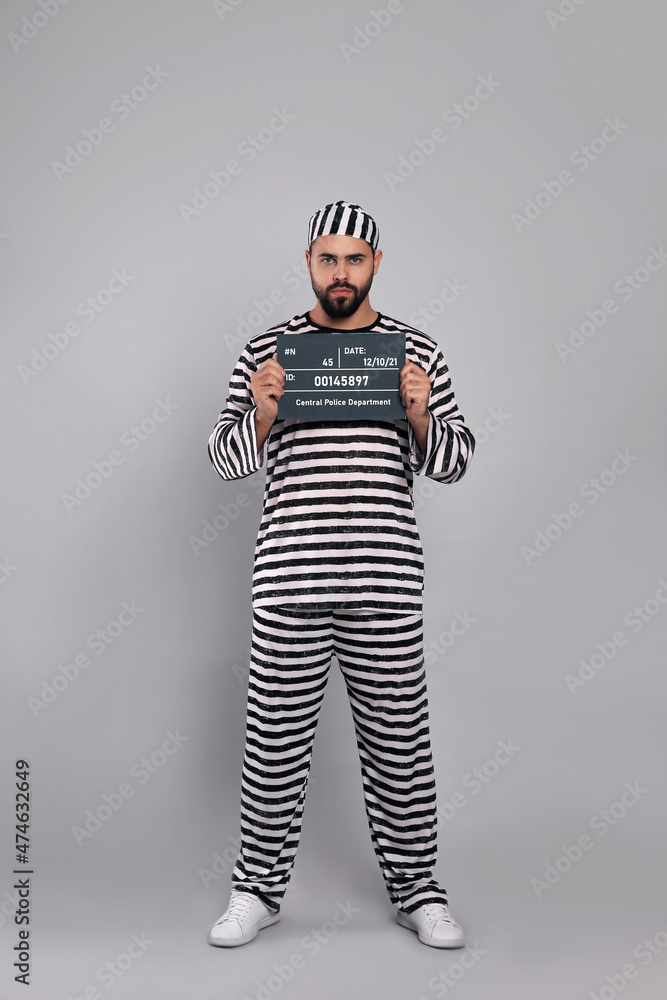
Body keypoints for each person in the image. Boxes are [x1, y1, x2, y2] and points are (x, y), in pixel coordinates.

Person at [206, 201, 475, 949]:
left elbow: (453, 463)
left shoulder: (415, 351)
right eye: (328, 258)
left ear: (376, 265)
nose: (341, 272)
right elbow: (225, 461)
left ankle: (419, 891)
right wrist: (260, 414)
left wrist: (420, 415)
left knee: (399, 747)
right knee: (272, 747)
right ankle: (254, 892)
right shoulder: (268, 350)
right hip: (289, 582)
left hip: (384, 581)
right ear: (309, 263)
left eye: (355, 259)